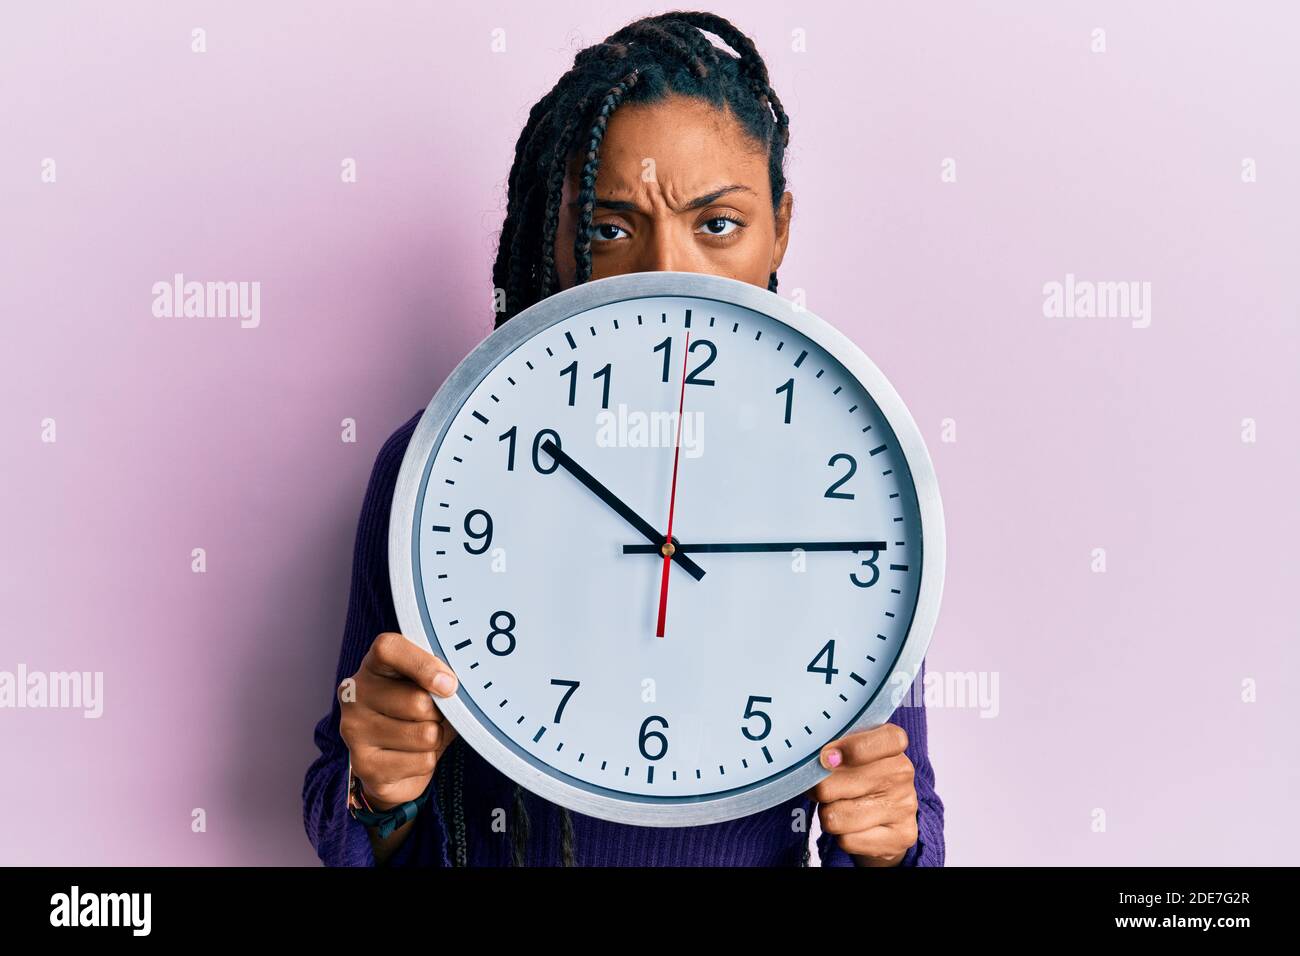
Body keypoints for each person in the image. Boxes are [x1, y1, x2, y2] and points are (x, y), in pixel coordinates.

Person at [303, 10, 945, 867]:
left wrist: (891, 841)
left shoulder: (862, 479)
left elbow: (910, 824)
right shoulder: (432, 466)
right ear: (558, 243)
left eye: (717, 224)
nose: (666, 273)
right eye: (610, 229)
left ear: (779, 229)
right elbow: (341, 816)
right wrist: (377, 785)